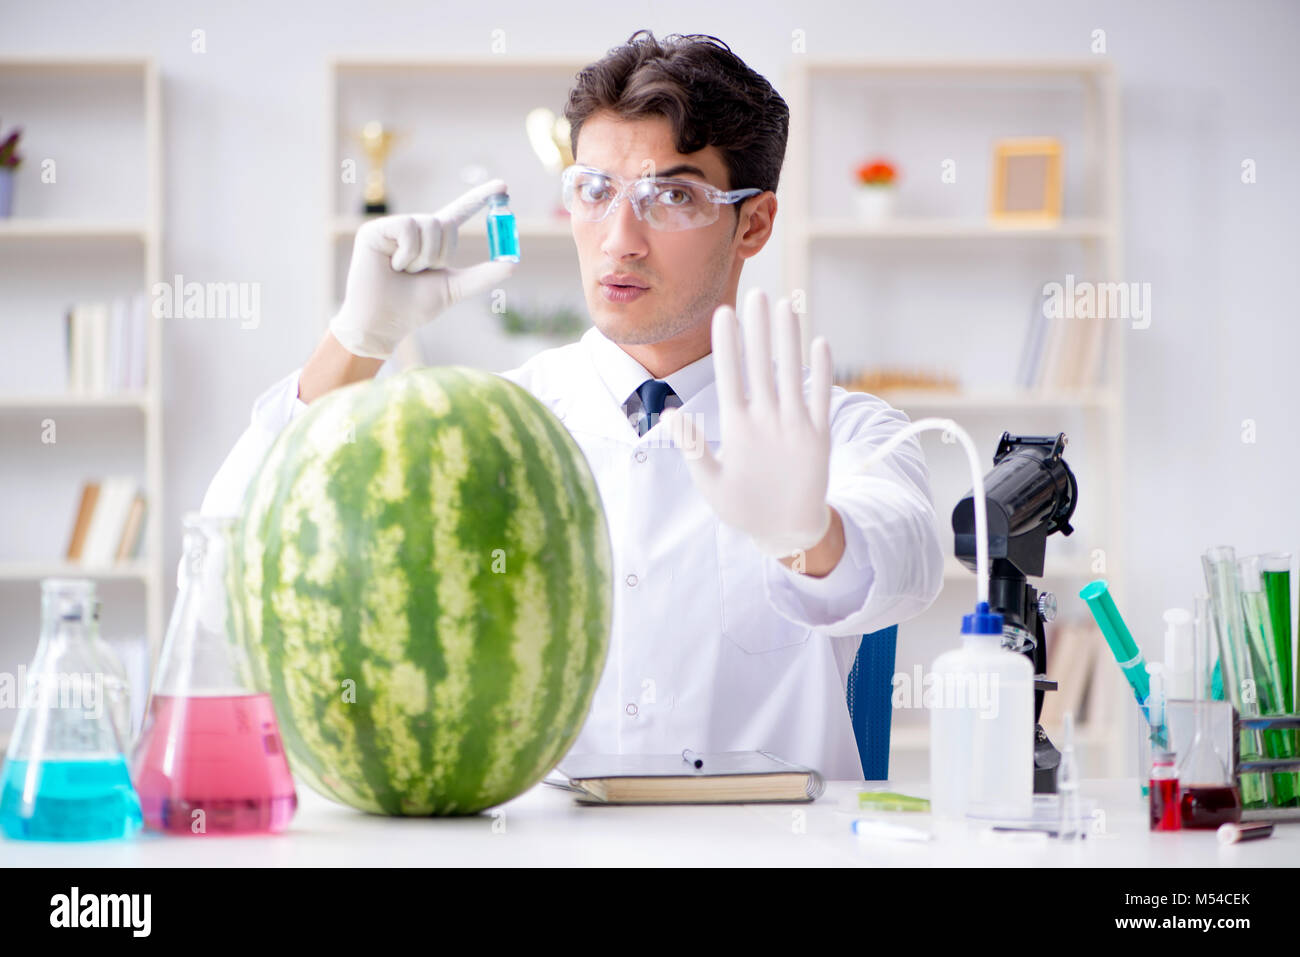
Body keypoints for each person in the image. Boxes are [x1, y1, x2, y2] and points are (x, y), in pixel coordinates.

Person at [198, 30, 943, 780]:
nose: (620, 240)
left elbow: (906, 559)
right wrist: (354, 343)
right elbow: (222, 562)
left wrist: (805, 534)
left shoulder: (838, 428)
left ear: (753, 223)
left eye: (672, 197)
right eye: (594, 191)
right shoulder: (490, 424)